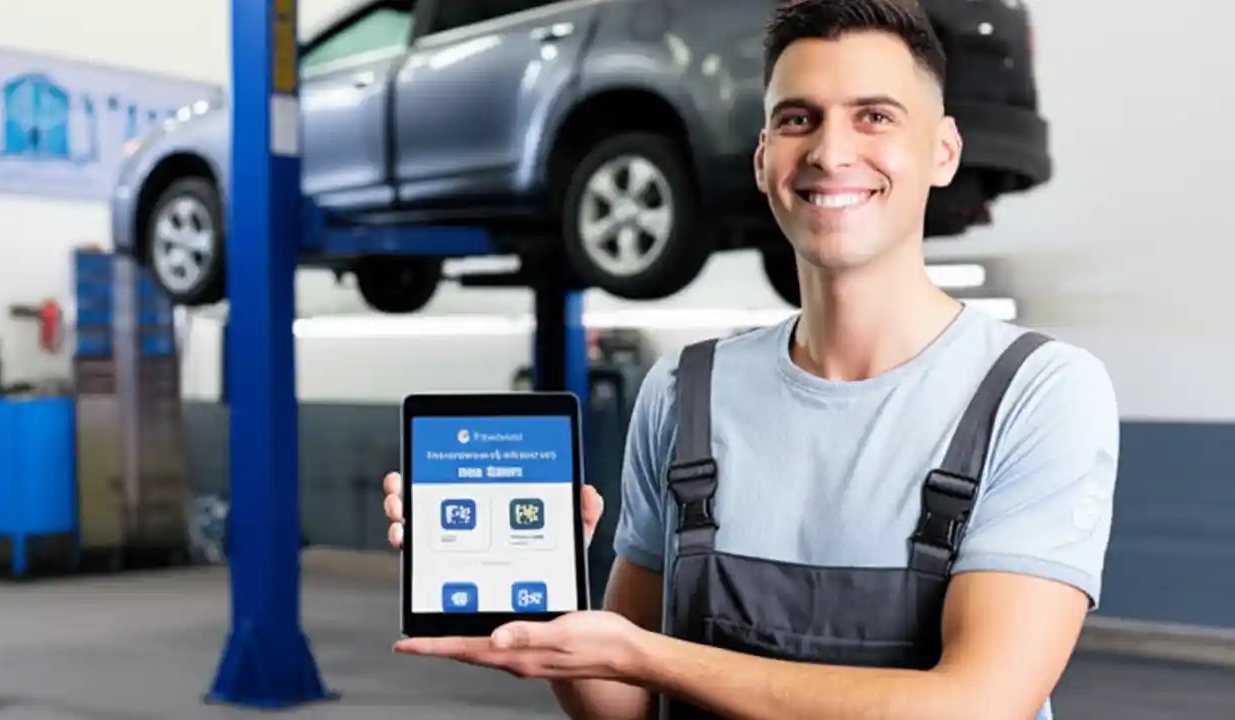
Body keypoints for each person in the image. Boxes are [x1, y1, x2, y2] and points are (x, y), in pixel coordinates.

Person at [385, 0, 1120, 717]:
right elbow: (627, 706)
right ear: (765, 159)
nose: (831, 152)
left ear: (943, 151)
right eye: (799, 118)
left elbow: (975, 705)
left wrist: (646, 654)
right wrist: (554, 609)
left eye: (875, 116)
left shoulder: (1038, 392)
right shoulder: (683, 391)